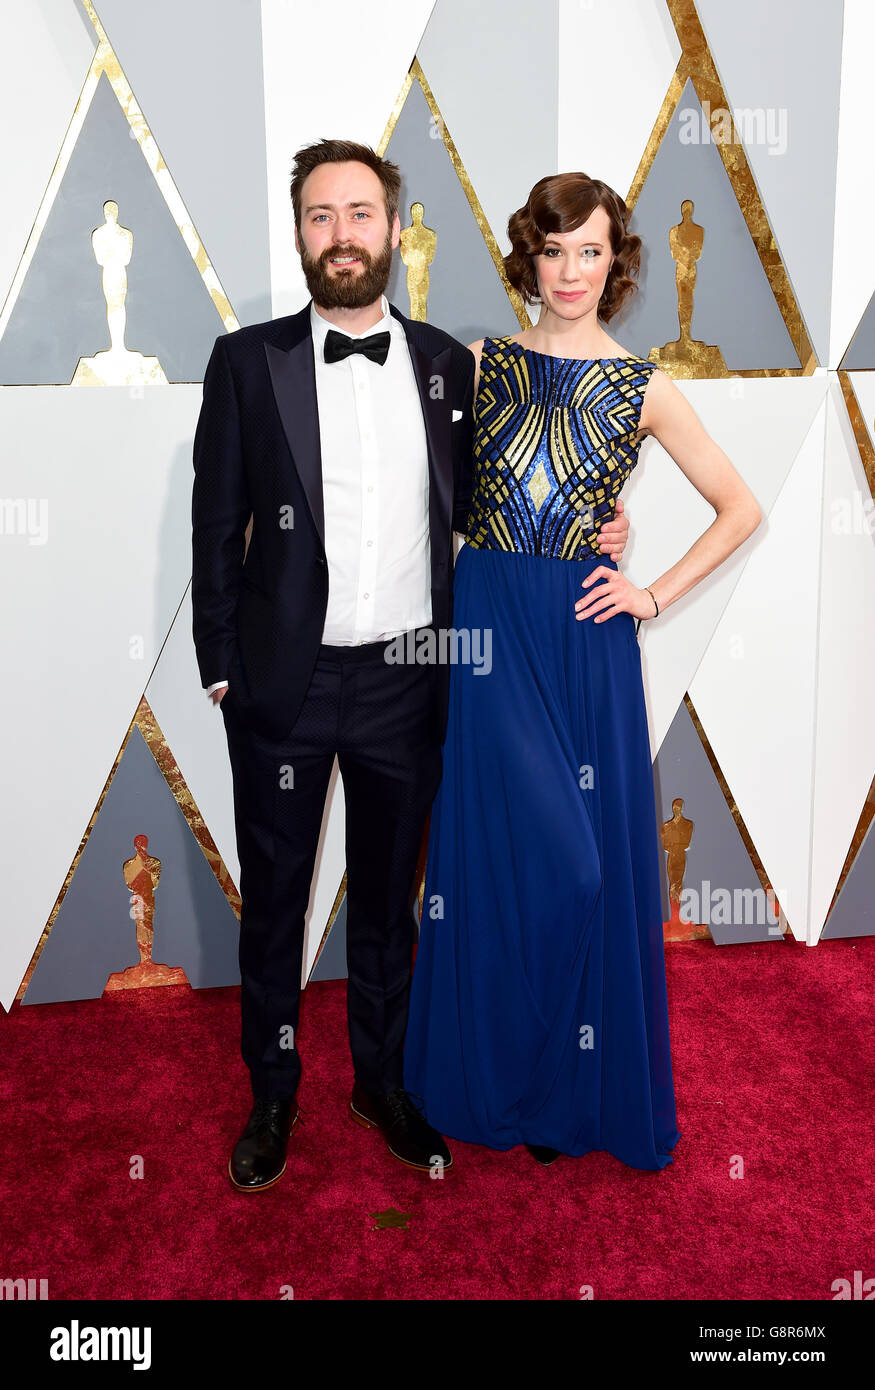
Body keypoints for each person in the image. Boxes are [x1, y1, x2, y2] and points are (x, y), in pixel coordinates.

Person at [191, 142, 632, 1191]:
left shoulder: (448, 363)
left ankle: (380, 1084)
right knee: (277, 904)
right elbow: (215, 527)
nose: (340, 234)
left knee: (392, 904)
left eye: (358, 213)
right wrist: (221, 667)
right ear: (300, 233)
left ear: (393, 227)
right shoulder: (247, 362)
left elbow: (524, 475)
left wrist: (599, 520)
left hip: (409, 677)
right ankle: (273, 1093)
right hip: (280, 688)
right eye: (318, 216)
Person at [404, 172, 762, 1170]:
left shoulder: (645, 388)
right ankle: (498, 1075)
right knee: (514, 859)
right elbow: (419, 481)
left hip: (582, 631)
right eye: (553, 250)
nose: (569, 271)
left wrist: (647, 591)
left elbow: (740, 507)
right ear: (531, 255)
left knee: (579, 867)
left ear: (617, 263)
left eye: (589, 252)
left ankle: (563, 1081)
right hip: (490, 623)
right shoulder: (481, 363)